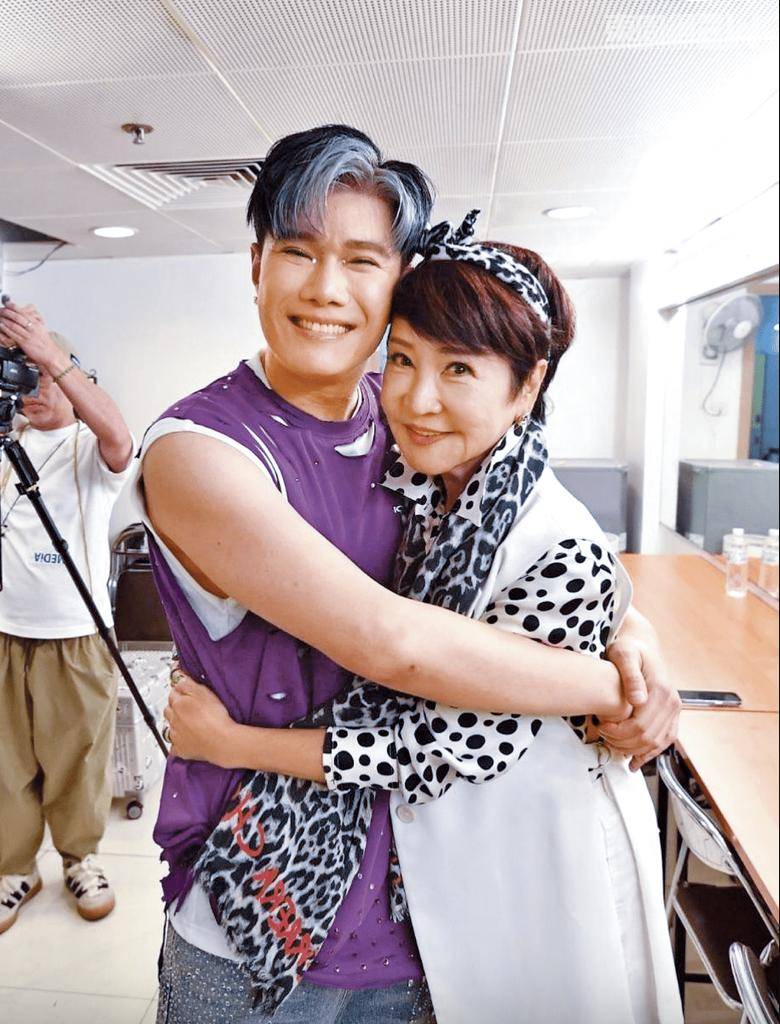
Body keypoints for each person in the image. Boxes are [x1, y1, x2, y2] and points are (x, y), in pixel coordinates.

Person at [137, 125, 680, 1024]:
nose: (326, 288)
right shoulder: (203, 452)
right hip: (261, 910)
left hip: (429, 909)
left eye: (361, 260)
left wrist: (632, 637)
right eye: (297, 251)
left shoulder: (409, 427)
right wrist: (604, 685)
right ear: (256, 264)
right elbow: (391, 643)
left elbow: (544, 554)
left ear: (399, 279)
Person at [0, 304, 134, 934]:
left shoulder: (88, 447)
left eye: (39, 374)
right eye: (19, 374)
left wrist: (51, 356)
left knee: (78, 758)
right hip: (6, 631)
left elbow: (121, 438)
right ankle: (14, 868)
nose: (31, 388)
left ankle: (82, 860)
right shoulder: (7, 444)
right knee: (7, 761)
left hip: (75, 634)